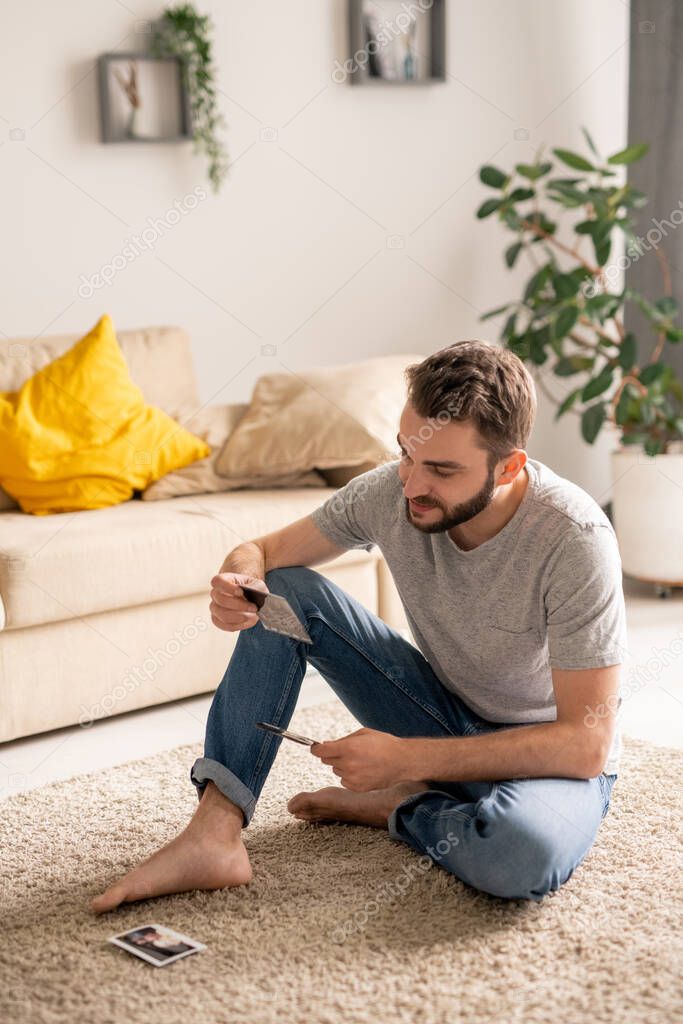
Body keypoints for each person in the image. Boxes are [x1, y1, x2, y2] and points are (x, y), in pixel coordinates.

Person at [92, 340, 626, 913]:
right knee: (289, 592)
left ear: (510, 465)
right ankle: (214, 833)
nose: (412, 485)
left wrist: (410, 761)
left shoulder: (575, 538)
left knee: (518, 854)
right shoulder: (391, 491)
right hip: (438, 714)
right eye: (406, 454)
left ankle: (402, 807)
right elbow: (261, 550)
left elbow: (584, 744)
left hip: (546, 753)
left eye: (443, 469)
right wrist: (239, 582)